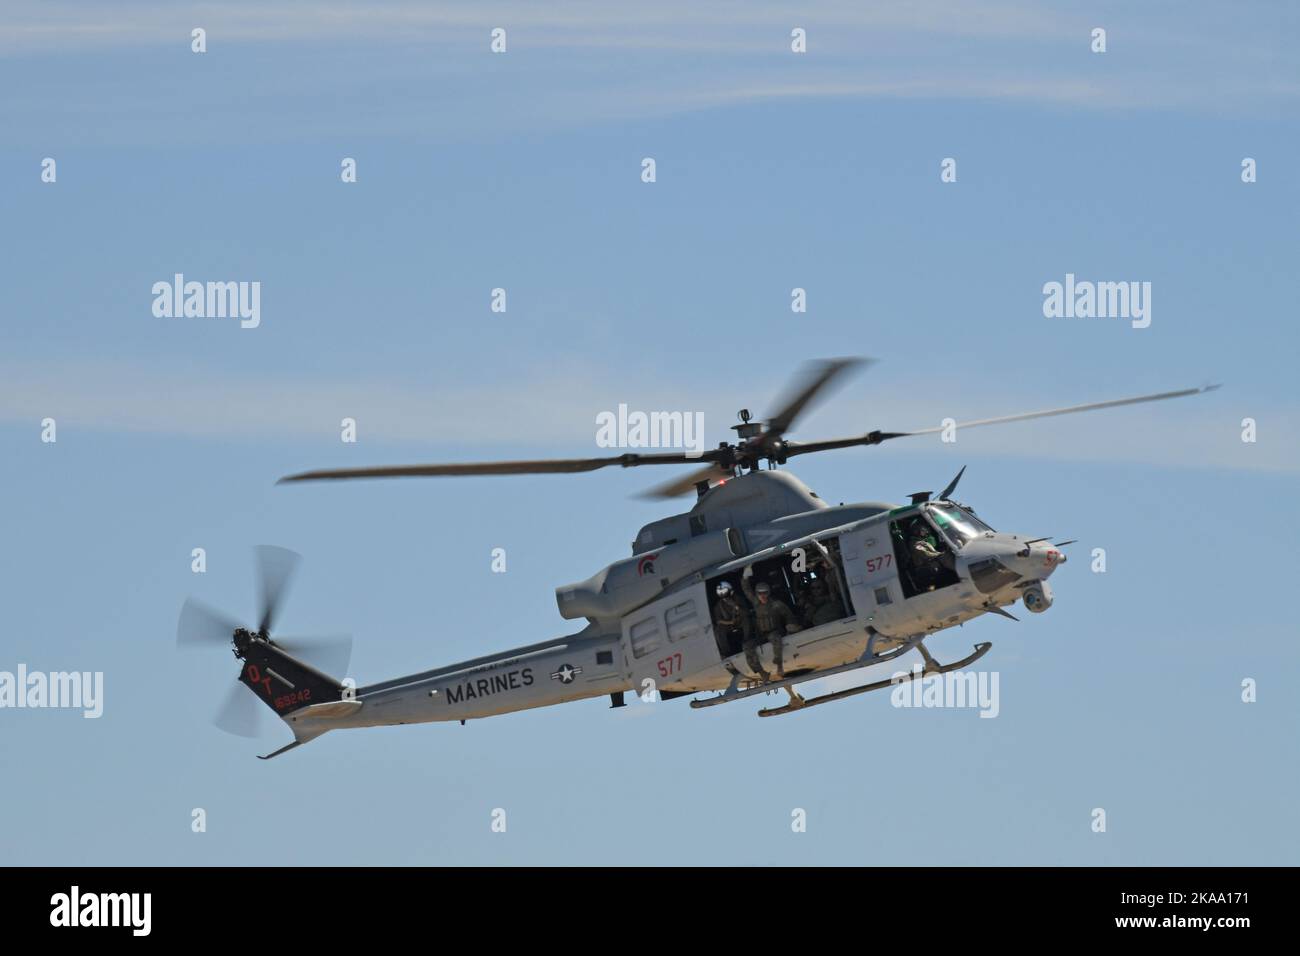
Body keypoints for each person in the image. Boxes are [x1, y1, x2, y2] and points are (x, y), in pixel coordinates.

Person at [741, 568, 801, 680]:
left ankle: (779, 665)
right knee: (747, 646)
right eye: (760, 593)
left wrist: (791, 626)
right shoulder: (756, 603)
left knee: (775, 638)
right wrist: (745, 577)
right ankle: (762, 672)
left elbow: (788, 615)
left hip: (775, 632)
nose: (762, 595)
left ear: (768, 593)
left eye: (764, 593)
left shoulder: (776, 604)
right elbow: (746, 590)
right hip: (762, 635)